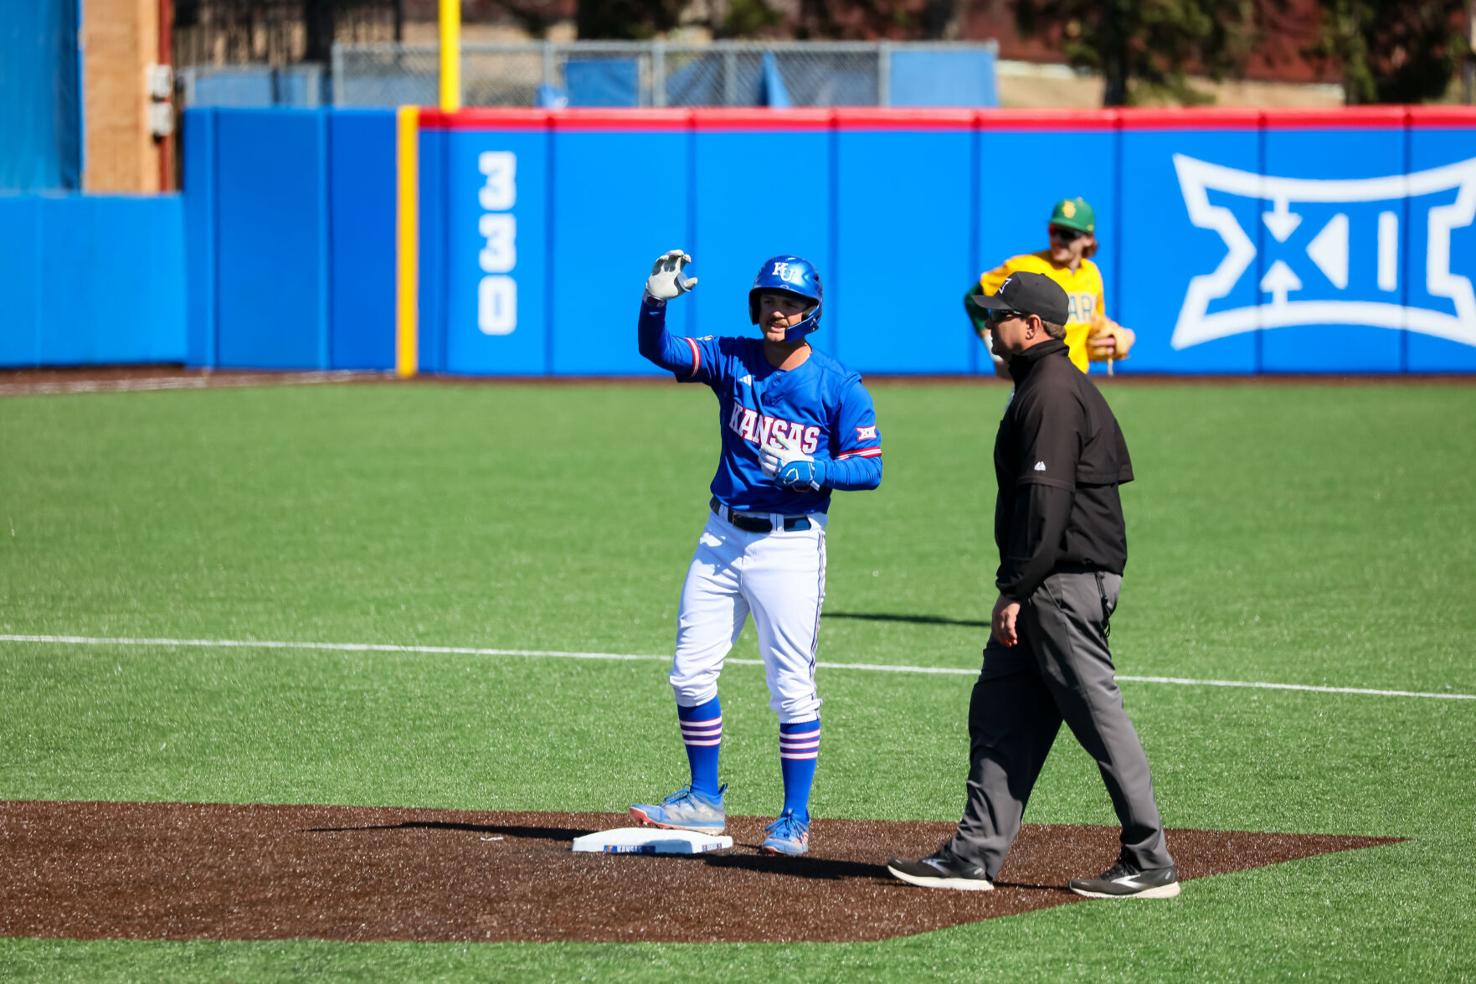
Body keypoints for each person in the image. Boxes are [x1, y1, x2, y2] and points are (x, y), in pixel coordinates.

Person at [888, 271, 1178, 899]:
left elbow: (1047, 503)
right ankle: (972, 856)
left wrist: (1016, 588)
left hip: (1060, 585)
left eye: (1002, 316)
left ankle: (1149, 859)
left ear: (1034, 325)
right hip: (1050, 582)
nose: (991, 324)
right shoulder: (1041, 383)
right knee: (1000, 713)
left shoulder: (1050, 391)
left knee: (1099, 719)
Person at [629, 249, 883, 857]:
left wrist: (815, 469)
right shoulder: (733, 357)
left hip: (789, 546)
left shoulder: (838, 385)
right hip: (721, 537)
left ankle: (794, 818)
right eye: (769, 300)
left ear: (811, 313)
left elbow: (869, 468)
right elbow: (659, 351)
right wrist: (654, 303)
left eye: (790, 303)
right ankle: (703, 800)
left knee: (792, 687)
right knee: (689, 673)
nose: (777, 311)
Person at [964, 197, 1135, 376]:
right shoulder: (1026, 265)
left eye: (1068, 234)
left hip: (1077, 377)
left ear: (1088, 239)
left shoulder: (1092, 274)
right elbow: (972, 299)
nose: (1058, 239)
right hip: (1035, 377)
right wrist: (996, 355)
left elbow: (1094, 327)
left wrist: (1122, 338)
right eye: (1054, 231)